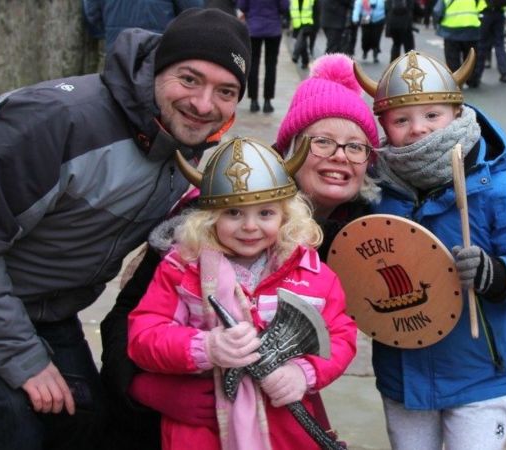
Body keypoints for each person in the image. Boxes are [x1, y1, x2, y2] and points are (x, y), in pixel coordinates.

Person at [0, 8, 251, 450]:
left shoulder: (182, 142)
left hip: (31, 289)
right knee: (10, 416)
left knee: (85, 417)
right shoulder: (59, 119)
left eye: (225, 91)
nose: (203, 104)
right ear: (159, 68)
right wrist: (25, 360)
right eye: (189, 79)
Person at [99, 53, 381, 449]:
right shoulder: (198, 232)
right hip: (184, 421)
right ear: (290, 152)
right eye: (322, 141)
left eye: (355, 146)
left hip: (282, 425)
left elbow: (338, 335)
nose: (340, 155)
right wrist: (146, 387)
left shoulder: (364, 229)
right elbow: (134, 322)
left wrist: (304, 373)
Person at [355, 50, 506, 449]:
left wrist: (495, 273)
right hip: (403, 377)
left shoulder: (503, 190)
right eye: (401, 120)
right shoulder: (373, 192)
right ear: (383, 126)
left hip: (480, 375)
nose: (418, 129)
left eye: (432, 115)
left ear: (457, 112)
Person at [126, 136, 358, 449]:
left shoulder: (312, 273)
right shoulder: (181, 270)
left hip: (286, 430)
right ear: (210, 217)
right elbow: (143, 336)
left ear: (286, 215)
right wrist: (207, 347)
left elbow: (339, 336)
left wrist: (303, 373)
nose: (249, 226)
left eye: (265, 213)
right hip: (201, 434)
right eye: (233, 213)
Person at [83, 0, 204, 51]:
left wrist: (109, 33)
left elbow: (92, 13)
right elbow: (194, 12)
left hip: (118, 46)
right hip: (158, 46)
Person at [238, 0, 290, 113]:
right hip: (273, 29)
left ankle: (253, 101)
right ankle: (267, 102)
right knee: (271, 66)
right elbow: (284, 6)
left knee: (252, 65)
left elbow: (242, 5)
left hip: (253, 28)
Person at [433, 0, 483, 87]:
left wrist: (438, 22)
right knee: (471, 57)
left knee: (452, 59)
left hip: (451, 30)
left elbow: (437, 11)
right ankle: (472, 80)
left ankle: (456, 82)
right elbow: (482, 8)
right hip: (471, 29)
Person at [474, 0, 506, 84]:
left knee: (482, 45)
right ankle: (504, 73)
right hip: (499, 14)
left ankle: (477, 75)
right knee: (499, 45)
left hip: (486, 15)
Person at [291, 0, 318, 69]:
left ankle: (295, 54)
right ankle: (305, 61)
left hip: (308, 23)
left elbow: (317, 11)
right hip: (297, 24)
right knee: (303, 43)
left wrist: (316, 25)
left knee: (301, 38)